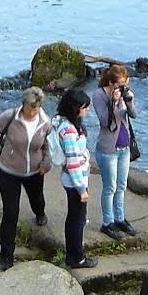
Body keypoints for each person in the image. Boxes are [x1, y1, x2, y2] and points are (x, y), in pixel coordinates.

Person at [0, 86, 51, 271]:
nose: (32, 112)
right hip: (9, 171)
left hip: (34, 172)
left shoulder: (45, 122)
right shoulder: (10, 117)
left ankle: (40, 213)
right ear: (24, 104)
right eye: (30, 108)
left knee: (37, 199)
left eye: (36, 108)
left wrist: (47, 161)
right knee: (10, 213)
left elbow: (47, 144)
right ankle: (6, 256)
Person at [91, 64, 139, 240]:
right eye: (120, 85)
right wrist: (114, 102)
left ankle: (120, 219)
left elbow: (133, 115)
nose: (122, 88)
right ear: (111, 83)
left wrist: (129, 101)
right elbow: (106, 122)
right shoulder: (99, 95)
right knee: (110, 187)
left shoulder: (123, 94)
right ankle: (107, 223)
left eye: (125, 85)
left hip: (124, 149)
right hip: (108, 150)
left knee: (121, 186)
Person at [53, 87, 96, 269]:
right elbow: (72, 161)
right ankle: (77, 257)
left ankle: (73, 254)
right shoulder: (69, 131)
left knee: (73, 218)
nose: (87, 110)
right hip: (74, 181)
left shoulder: (61, 121)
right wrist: (81, 189)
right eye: (84, 107)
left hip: (72, 179)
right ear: (75, 108)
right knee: (77, 220)